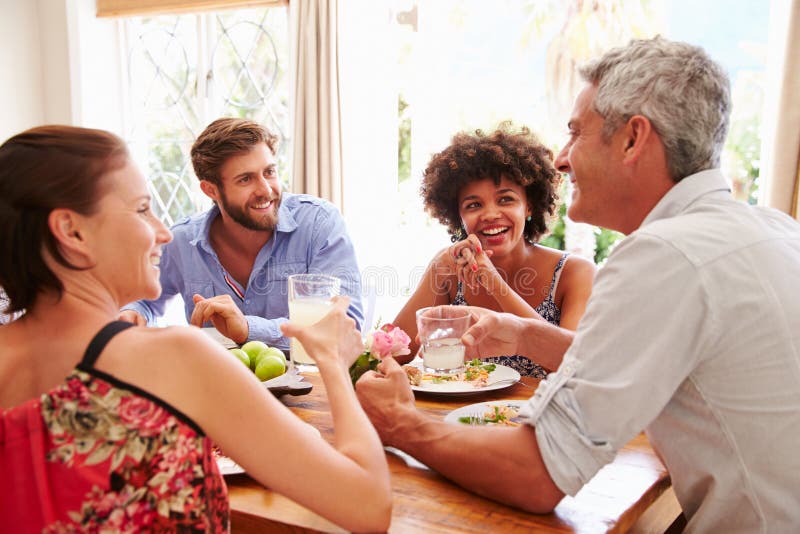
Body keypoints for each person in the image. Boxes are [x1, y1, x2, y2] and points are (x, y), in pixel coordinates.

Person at [356, 36, 800, 531]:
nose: (562, 159)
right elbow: (621, 363)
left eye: (575, 133)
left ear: (633, 139)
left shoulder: (662, 256)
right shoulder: (777, 230)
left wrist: (400, 424)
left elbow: (535, 476)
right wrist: (524, 333)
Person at [0, 126, 392, 532]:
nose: (164, 232)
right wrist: (331, 358)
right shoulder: (176, 357)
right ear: (71, 231)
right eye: (140, 209)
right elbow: (369, 506)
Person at [120, 118, 363, 350]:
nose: (265, 190)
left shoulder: (319, 224)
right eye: (245, 179)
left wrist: (249, 328)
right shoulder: (183, 242)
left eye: (269, 172)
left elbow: (345, 326)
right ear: (211, 190)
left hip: (308, 387)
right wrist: (132, 313)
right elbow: (143, 300)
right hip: (211, 387)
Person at [393, 123, 595, 376]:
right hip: (456, 414)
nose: (490, 214)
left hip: (539, 414)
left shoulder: (575, 273)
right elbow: (392, 352)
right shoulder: (448, 267)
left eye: (506, 199)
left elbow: (574, 369)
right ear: (459, 216)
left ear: (529, 205)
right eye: (473, 204)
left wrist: (493, 282)